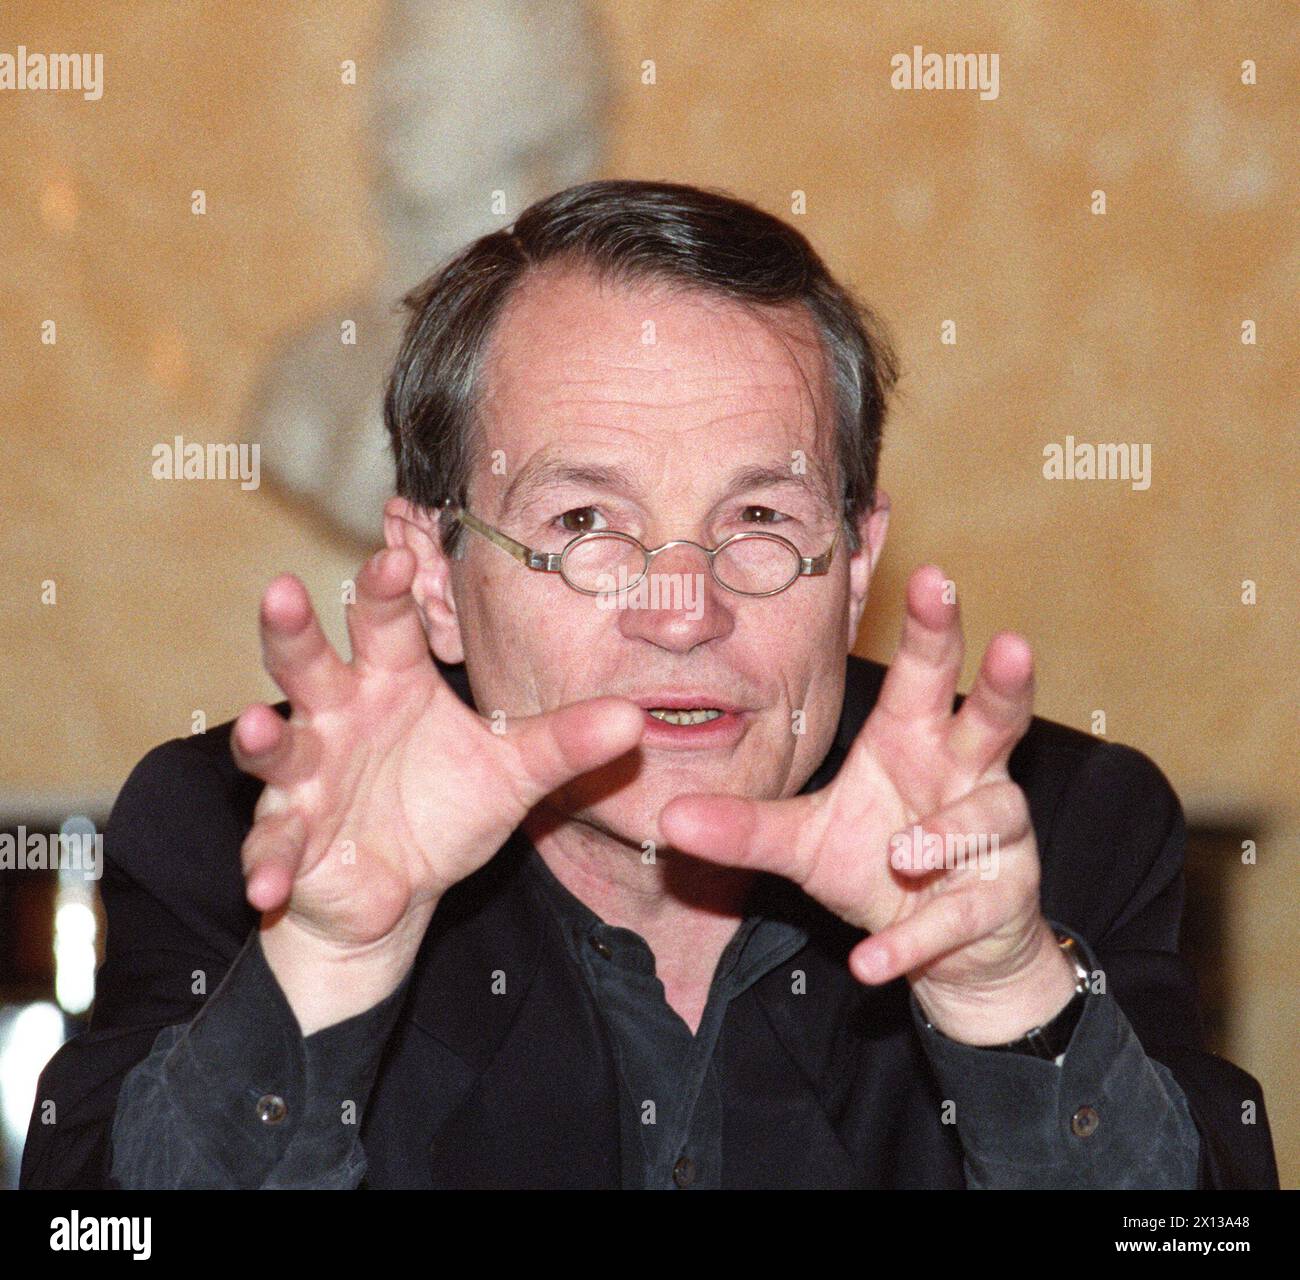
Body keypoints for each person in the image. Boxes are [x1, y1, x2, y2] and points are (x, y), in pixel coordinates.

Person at [22, 180, 1278, 1190]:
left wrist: (1005, 996)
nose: (685, 611)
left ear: (855, 567)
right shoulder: (244, 836)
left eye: (760, 520)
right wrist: (328, 966)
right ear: (437, 574)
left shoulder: (1053, 830)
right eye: (584, 522)